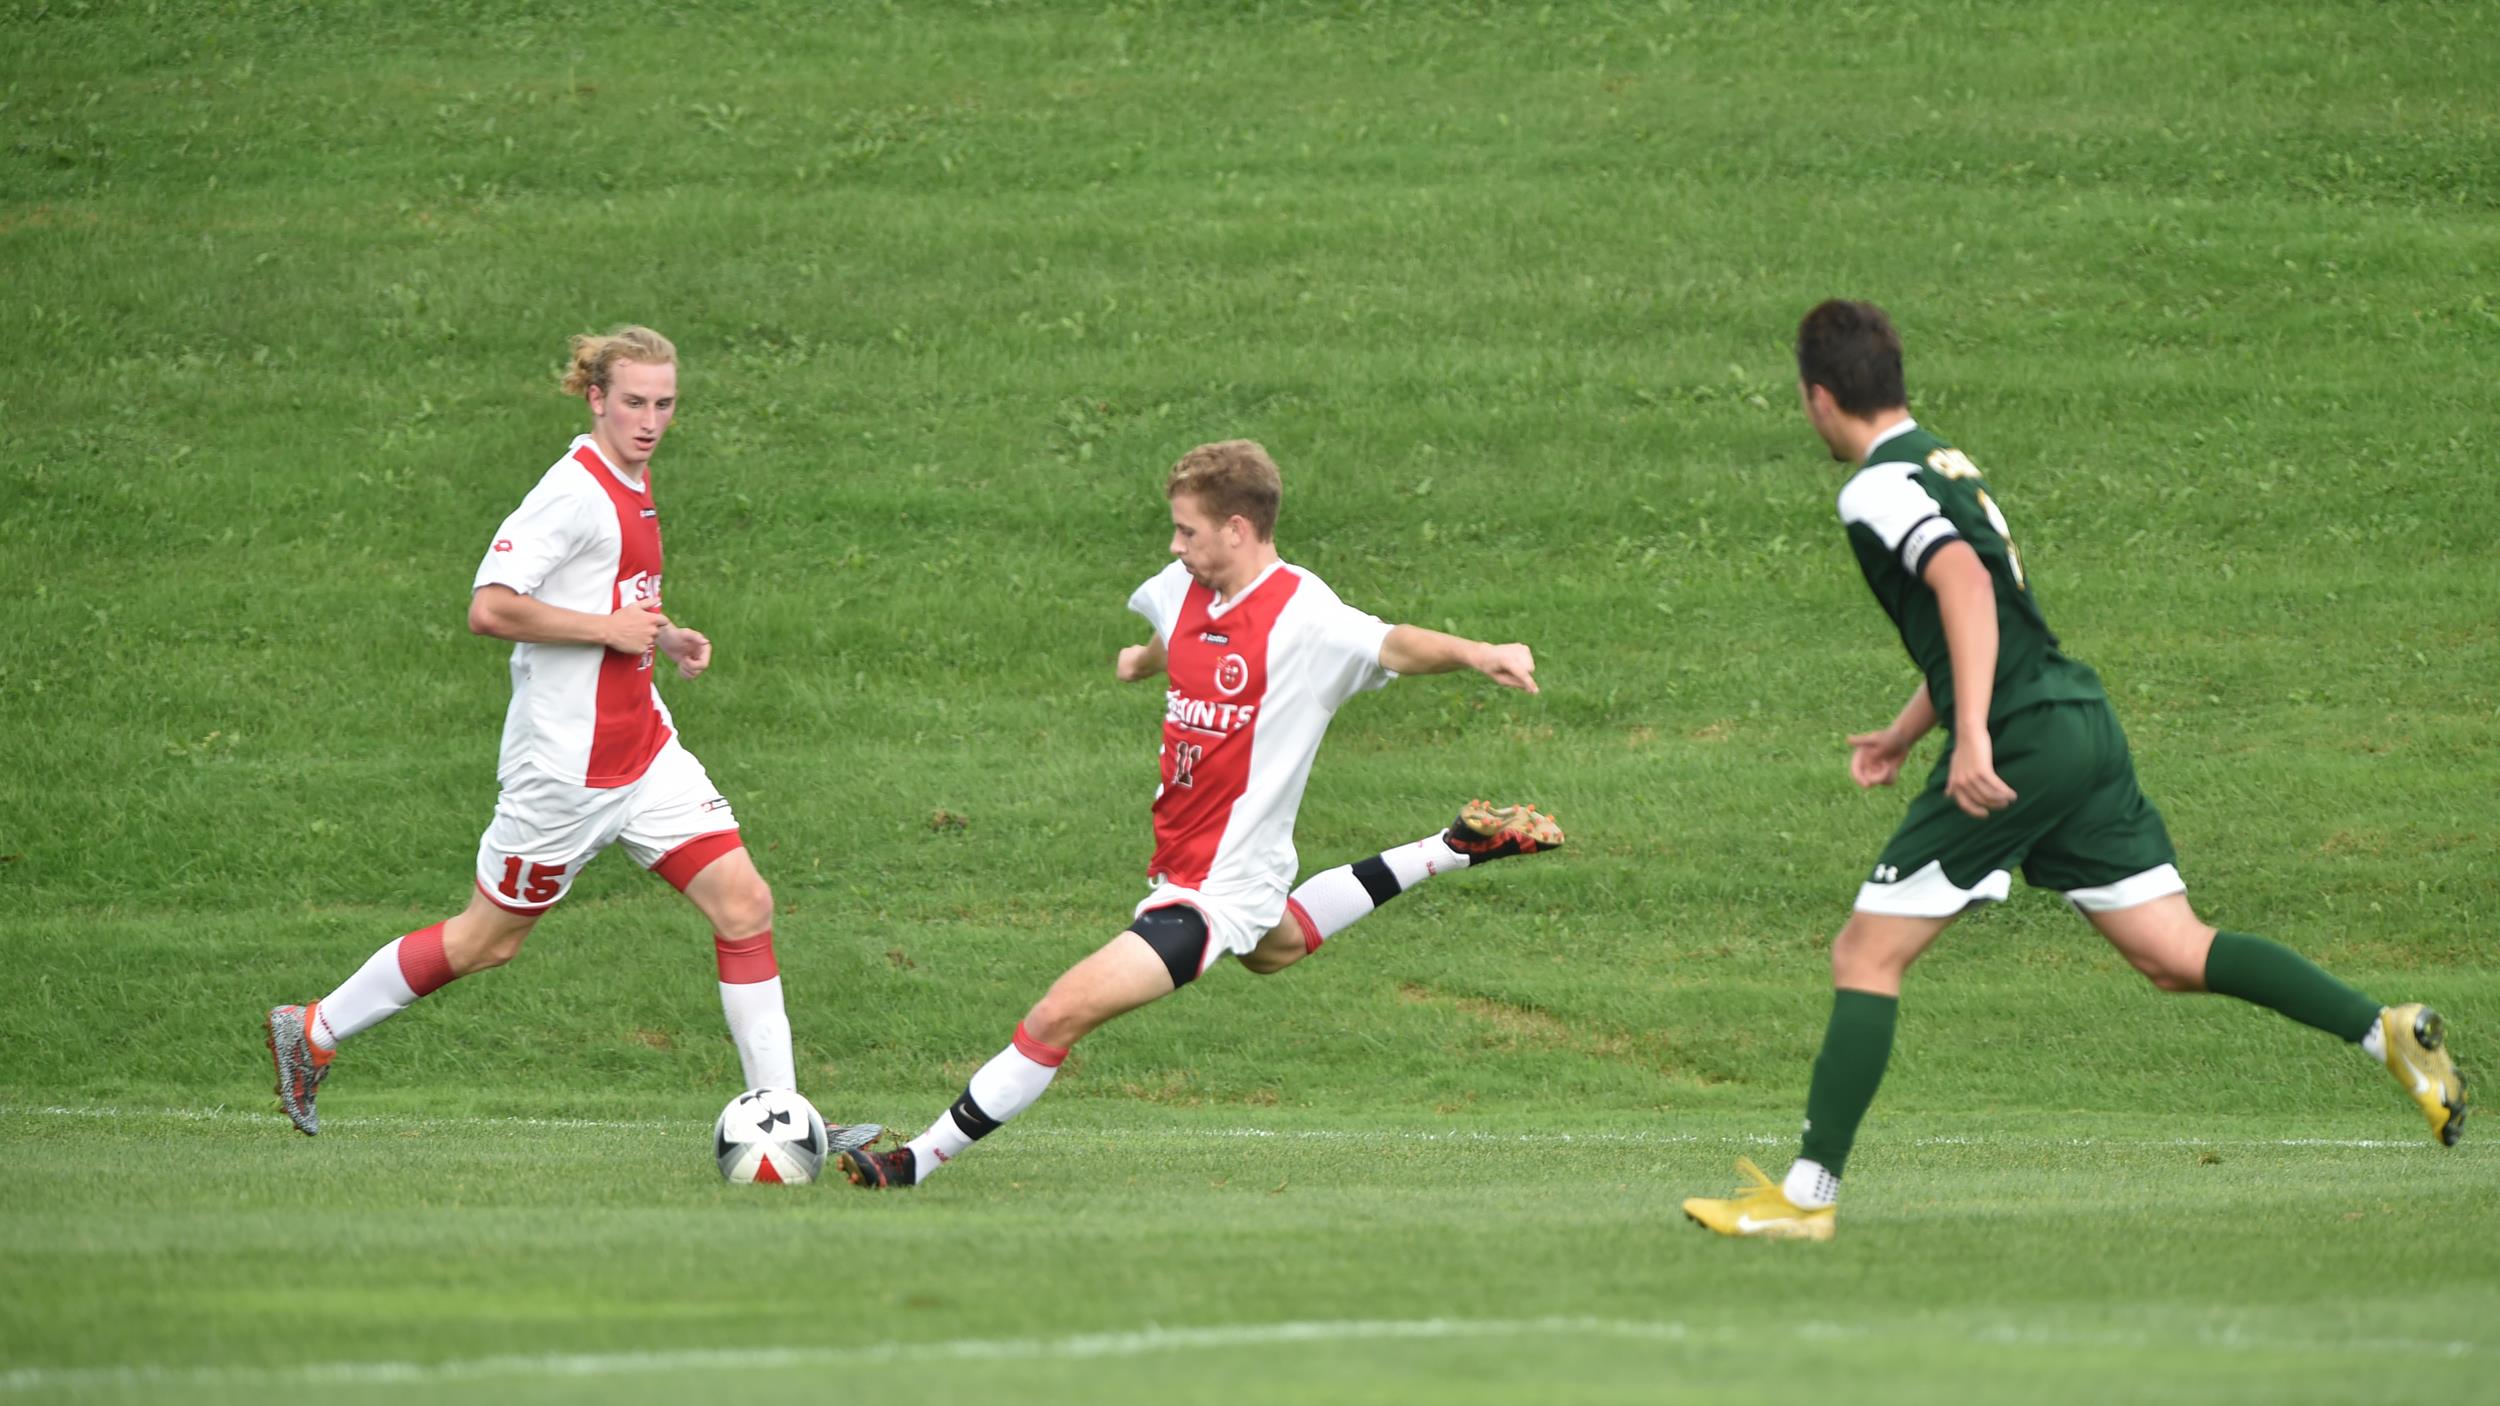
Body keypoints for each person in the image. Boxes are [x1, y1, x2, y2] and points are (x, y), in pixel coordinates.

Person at [1682, 300, 2468, 1240]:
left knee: (1865, 953)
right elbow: (1987, 617)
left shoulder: (1875, 488)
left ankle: (1806, 1199)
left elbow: (1967, 590)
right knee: (2174, 952)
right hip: (2075, 720)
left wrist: (1969, 734)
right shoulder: (1945, 461)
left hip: (2019, 738)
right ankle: (2380, 1031)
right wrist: (1904, 732)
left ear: (1817, 398)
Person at [837, 439, 1564, 1189]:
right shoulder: (1178, 586)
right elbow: (1170, 628)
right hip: (1197, 863)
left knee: (1060, 1013)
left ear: (1238, 529)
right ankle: (1453, 847)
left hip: (1218, 888)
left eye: (1188, 530)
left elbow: (1396, 644)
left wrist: (1479, 651)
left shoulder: (1305, 618)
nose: (1174, 545)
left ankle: (913, 1160)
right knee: (1273, 950)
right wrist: (1141, 660)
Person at [262, 326, 875, 1155]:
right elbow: (490, 605)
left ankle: (784, 1121)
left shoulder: (635, 477)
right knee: (488, 940)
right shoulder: (574, 491)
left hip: (644, 749)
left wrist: (664, 635)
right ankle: (315, 1027)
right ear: (595, 397)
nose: (650, 419)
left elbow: (614, 600)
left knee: (745, 905)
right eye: (633, 402)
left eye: (664, 403)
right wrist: (611, 630)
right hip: (566, 770)